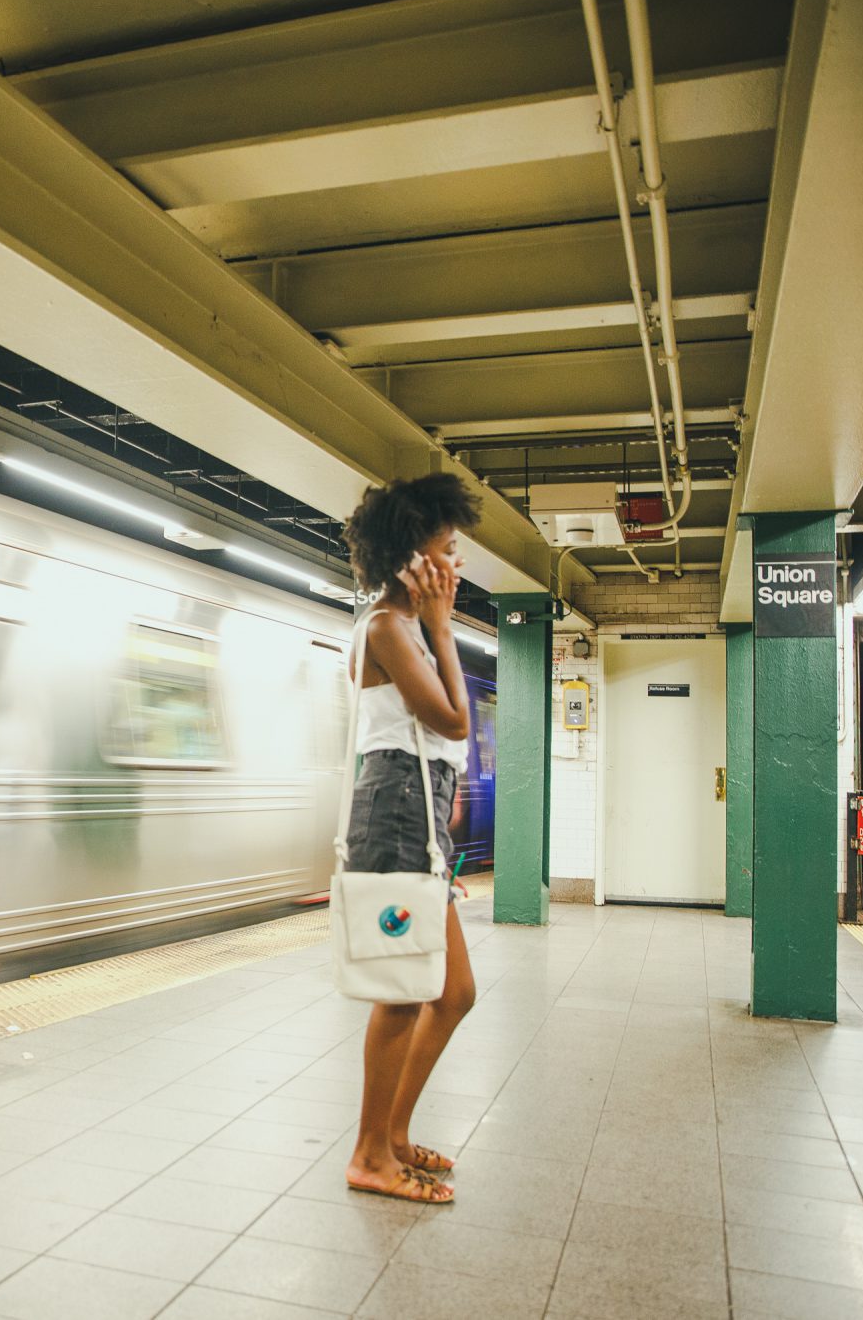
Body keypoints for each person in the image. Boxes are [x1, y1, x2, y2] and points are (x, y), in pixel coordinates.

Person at [339, 473, 484, 1205]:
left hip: (417, 818)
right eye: (447, 550)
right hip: (396, 813)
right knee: (402, 994)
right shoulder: (391, 630)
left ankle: (392, 1135)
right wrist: (443, 626)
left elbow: (450, 732)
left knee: (451, 991)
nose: (456, 566)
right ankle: (370, 1153)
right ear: (411, 561)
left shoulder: (406, 631)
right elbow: (456, 721)